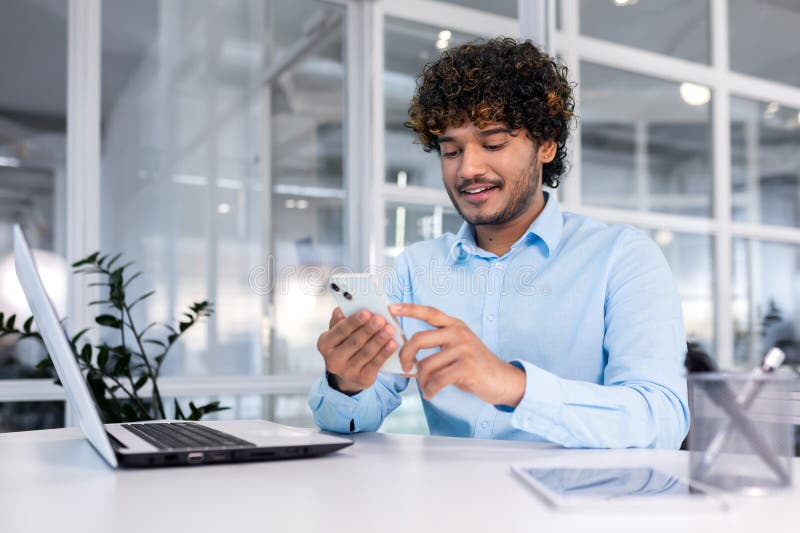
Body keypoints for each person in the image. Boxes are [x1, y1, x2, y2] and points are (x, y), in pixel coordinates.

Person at [308, 37, 689, 448]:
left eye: (493, 144)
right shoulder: (416, 268)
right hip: (455, 506)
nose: (468, 168)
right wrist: (346, 382)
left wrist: (514, 386)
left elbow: (661, 418)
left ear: (546, 144)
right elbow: (354, 418)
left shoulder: (623, 258)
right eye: (451, 151)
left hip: (579, 507)